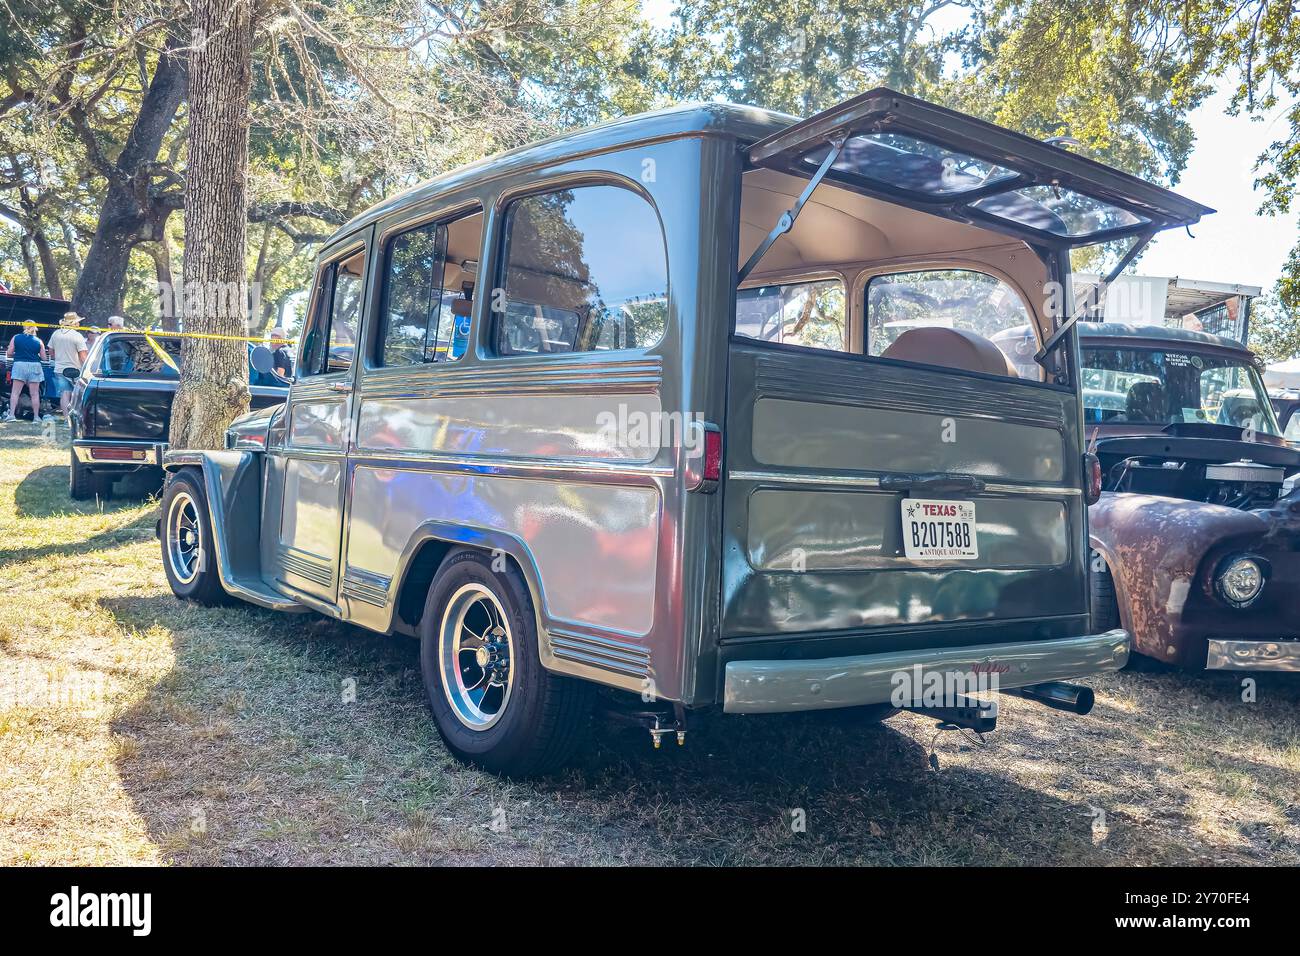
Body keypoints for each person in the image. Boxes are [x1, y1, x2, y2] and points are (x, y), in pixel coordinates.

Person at [47, 311, 88, 422]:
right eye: (78, 322)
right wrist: (88, 368)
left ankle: (66, 419)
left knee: (64, 394)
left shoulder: (56, 334)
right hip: (76, 370)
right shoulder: (77, 336)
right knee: (77, 395)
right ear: (73, 323)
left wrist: (59, 358)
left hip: (59, 369)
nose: (79, 324)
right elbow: (83, 356)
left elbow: (50, 351)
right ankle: (76, 418)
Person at [5, 320, 47, 422]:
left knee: (15, 392)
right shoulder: (39, 341)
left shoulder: (16, 337)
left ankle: (11, 415)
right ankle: (36, 417)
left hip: (19, 365)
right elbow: (44, 358)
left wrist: (18, 354)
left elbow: (9, 353)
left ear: (24, 327)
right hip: (35, 366)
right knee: (35, 393)